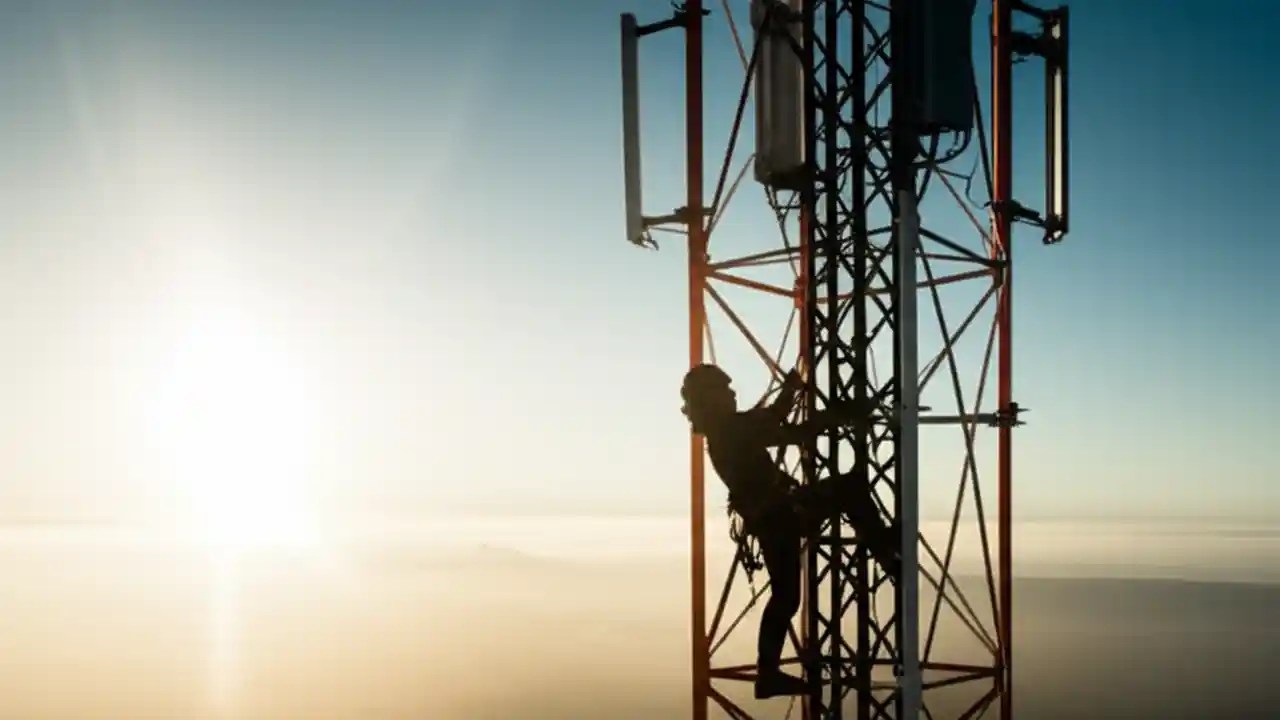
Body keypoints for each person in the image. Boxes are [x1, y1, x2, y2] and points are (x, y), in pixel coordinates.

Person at [679, 363, 899, 699]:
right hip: (781, 515)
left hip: (774, 518)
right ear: (712, 399)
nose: (733, 394)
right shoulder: (730, 430)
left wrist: (820, 413)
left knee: (785, 596)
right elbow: (776, 421)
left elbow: (786, 431)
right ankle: (887, 552)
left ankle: (768, 674)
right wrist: (796, 389)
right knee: (850, 489)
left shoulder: (724, 433)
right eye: (726, 390)